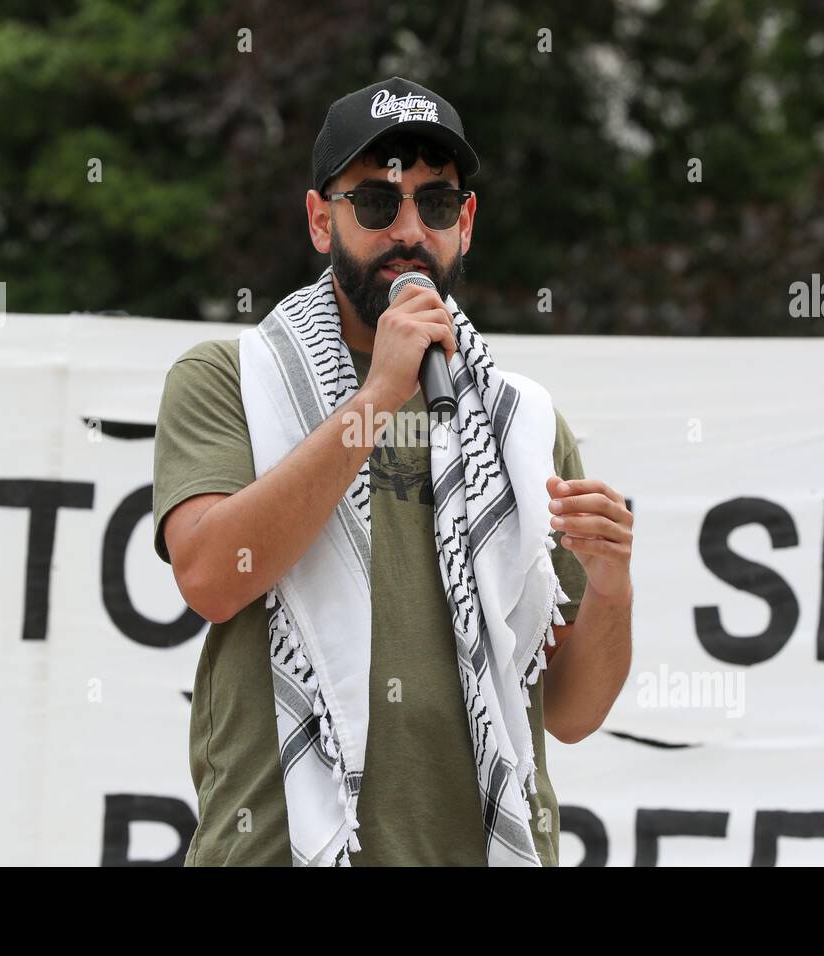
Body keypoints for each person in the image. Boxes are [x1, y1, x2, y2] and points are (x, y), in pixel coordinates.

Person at [153, 77, 633, 866]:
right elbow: (211, 575)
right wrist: (376, 398)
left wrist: (611, 585)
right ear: (320, 219)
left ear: (466, 224)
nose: (409, 229)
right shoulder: (228, 379)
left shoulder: (523, 423)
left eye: (435, 204)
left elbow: (574, 712)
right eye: (376, 202)